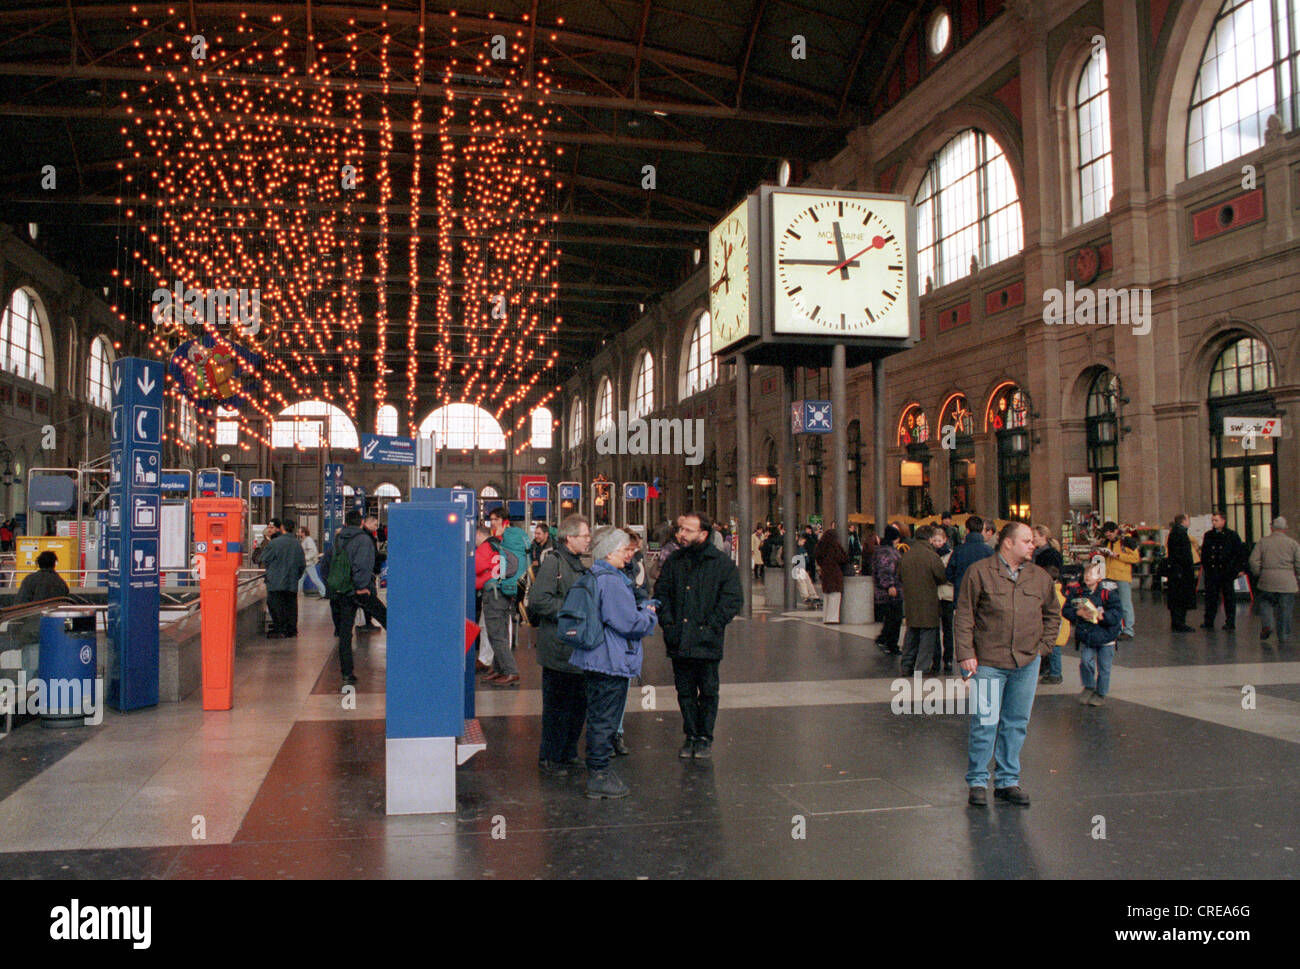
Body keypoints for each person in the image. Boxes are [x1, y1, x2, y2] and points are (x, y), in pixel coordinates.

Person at [956, 522, 1060, 807]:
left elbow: (1053, 614)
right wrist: (966, 653)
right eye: (1027, 541)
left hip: (1027, 661)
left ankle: (1006, 781)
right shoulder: (979, 573)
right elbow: (964, 615)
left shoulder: (1040, 577)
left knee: (1016, 723)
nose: (1033, 545)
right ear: (1008, 544)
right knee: (985, 722)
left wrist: (1043, 648)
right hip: (989, 660)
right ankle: (977, 780)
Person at [569, 527, 659, 799]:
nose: (628, 556)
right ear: (609, 552)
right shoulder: (611, 580)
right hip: (610, 658)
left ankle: (598, 771)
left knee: (598, 715)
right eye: (623, 550)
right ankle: (599, 775)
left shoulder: (595, 575)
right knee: (605, 719)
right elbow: (628, 622)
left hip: (595, 657)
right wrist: (649, 613)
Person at [654, 510, 744, 760]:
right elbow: (662, 594)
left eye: (687, 530)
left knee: (707, 690)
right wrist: (669, 625)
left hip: (707, 640)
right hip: (679, 638)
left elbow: (733, 600)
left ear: (703, 534)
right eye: (680, 529)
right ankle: (691, 734)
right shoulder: (674, 561)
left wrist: (711, 626)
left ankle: (705, 737)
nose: (681, 534)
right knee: (684, 691)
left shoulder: (722, 564)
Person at [527, 514, 592, 775]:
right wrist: (573, 609)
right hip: (558, 648)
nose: (589, 540)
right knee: (557, 708)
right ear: (569, 537)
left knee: (577, 706)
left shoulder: (577, 563)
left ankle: (568, 752)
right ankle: (550, 757)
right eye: (584, 535)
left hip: (575, 648)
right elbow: (539, 602)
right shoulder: (554, 562)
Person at [326, 510, 386, 686]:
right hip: (359, 591)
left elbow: (331, 563)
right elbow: (362, 564)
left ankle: (347, 673)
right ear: (361, 523)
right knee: (386, 618)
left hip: (343, 591)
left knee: (345, 633)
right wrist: (361, 587)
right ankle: (405, 660)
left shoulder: (339, 539)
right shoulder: (363, 540)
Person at [1062, 560, 1123, 706]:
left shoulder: (1108, 594)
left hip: (1106, 636)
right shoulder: (1078, 593)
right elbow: (1066, 610)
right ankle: (1089, 686)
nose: (1087, 576)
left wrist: (1104, 617)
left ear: (1100, 578)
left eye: (1092, 574)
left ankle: (1101, 693)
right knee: (1085, 661)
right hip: (1087, 635)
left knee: (1104, 667)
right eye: (1086, 573)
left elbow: (1117, 613)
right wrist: (1078, 613)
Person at [480, 508, 529, 687]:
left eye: (496, 519)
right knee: (499, 632)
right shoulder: (513, 540)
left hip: (499, 590)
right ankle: (498, 668)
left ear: (504, 520)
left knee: (496, 634)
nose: (493, 523)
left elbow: (490, 565)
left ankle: (510, 671)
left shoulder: (502, 540)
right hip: (509, 590)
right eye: (491, 519)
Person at [898, 525, 948, 676]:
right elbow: (941, 577)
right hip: (929, 603)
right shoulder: (932, 556)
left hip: (911, 602)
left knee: (911, 635)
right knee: (927, 637)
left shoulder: (906, 555)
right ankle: (921, 668)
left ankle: (906, 665)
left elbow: (899, 576)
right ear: (929, 538)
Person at [1250, 517, 1300, 644]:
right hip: (1287, 582)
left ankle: (1268, 624)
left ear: (1271, 528)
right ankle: (1283, 635)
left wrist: (1259, 574)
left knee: (1266, 603)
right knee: (1286, 610)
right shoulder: (1293, 543)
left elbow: (1253, 561)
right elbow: (1299, 563)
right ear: (1285, 529)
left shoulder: (1263, 542)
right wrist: (1297, 576)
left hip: (1267, 580)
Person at [1201, 512, 1247, 630]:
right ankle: (1209, 620)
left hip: (1226, 571)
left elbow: (1239, 553)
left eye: (1216, 520)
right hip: (1212, 571)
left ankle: (1230, 621)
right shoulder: (1209, 535)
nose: (1214, 523)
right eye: (1213, 520)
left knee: (1229, 598)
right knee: (1211, 597)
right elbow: (1205, 553)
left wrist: (1238, 568)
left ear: (1223, 521)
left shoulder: (1231, 535)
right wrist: (1206, 567)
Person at [261, 518, 305, 638]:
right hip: (291, 582)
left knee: (276, 606)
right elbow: (302, 565)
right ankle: (291, 630)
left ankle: (280, 629)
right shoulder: (297, 544)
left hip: (275, 582)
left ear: (282, 528)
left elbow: (264, 559)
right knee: (290, 606)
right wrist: (295, 577)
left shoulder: (274, 543)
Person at [1099, 521, 1140, 639]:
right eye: (1107, 535)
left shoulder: (1127, 541)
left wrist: (1117, 555)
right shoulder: (1108, 542)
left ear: (1116, 531)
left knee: (1125, 604)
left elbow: (1135, 558)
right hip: (1109, 576)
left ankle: (1128, 630)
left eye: (1110, 534)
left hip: (1122, 576)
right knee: (1111, 603)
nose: (1109, 537)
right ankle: (1116, 628)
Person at [872, 525, 904, 655]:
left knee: (891, 618)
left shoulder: (882, 551)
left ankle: (884, 638)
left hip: (886, 591)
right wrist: (890, 586)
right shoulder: (888, 552)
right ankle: (891, 644)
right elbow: (885, 571)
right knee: (894, 617)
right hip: (891, 591)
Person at [947, 514, 994, 601]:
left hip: (961, 594)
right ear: (981, 530)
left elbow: (949, 573)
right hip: (983, 596)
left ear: (967, 530)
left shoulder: (958, 550)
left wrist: (959, 581)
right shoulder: (989, 551)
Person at [1163, 514, 1197, 632]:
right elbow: (1183, 554)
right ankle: (1179, 623)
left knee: (1176, 598)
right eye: (1188, 519)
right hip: (1181, 571)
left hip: (1177, 571)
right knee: (1181, 598)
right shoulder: (1180, 533)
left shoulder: (1175, 533)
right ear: (1183, 521)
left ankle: (1177, 622)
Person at [814, 528, 849, 623]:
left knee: (826, 596)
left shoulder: (820, 546)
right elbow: (843, 558)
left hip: (825, 573)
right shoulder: (834, 546)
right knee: (835, 596)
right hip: (835, 573)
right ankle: (832, 619)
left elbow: (817, 557)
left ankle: (825, 617)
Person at [297, 525, 327, 597]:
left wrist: (305, 558)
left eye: (299, 532)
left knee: (314, 579)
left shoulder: (308, 540)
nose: (297, 533)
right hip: (305, 564)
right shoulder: (305, 540)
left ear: (303, 533)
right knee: (300, 579)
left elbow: (313, 552)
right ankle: (296, 592)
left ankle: (324, 592)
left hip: (309, 564)